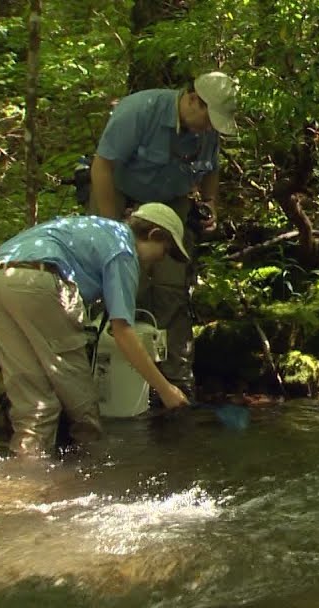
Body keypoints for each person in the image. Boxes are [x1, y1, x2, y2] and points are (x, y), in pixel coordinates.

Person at [0, 204, 192, 458]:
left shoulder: (98, 228)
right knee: (78, 395)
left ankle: (28, 474)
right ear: (154, 234)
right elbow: (123, 332)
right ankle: (94, 468)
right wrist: (166, 390)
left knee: (33, 402)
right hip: (40, 283)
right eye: (165, 250)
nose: (161, 259)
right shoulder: (124, 251)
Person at [88, 71, 238, 397]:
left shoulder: (206, 131)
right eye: (208, 118)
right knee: (127, 281)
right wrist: (111, 225)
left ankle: (175, 379)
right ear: (192, 99)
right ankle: (119, 378)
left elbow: (211, 169)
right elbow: (102, 166)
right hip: (121, 196)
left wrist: (210, 204)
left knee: (173, 285)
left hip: (173, 205)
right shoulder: (139, 111)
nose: (210, 128)